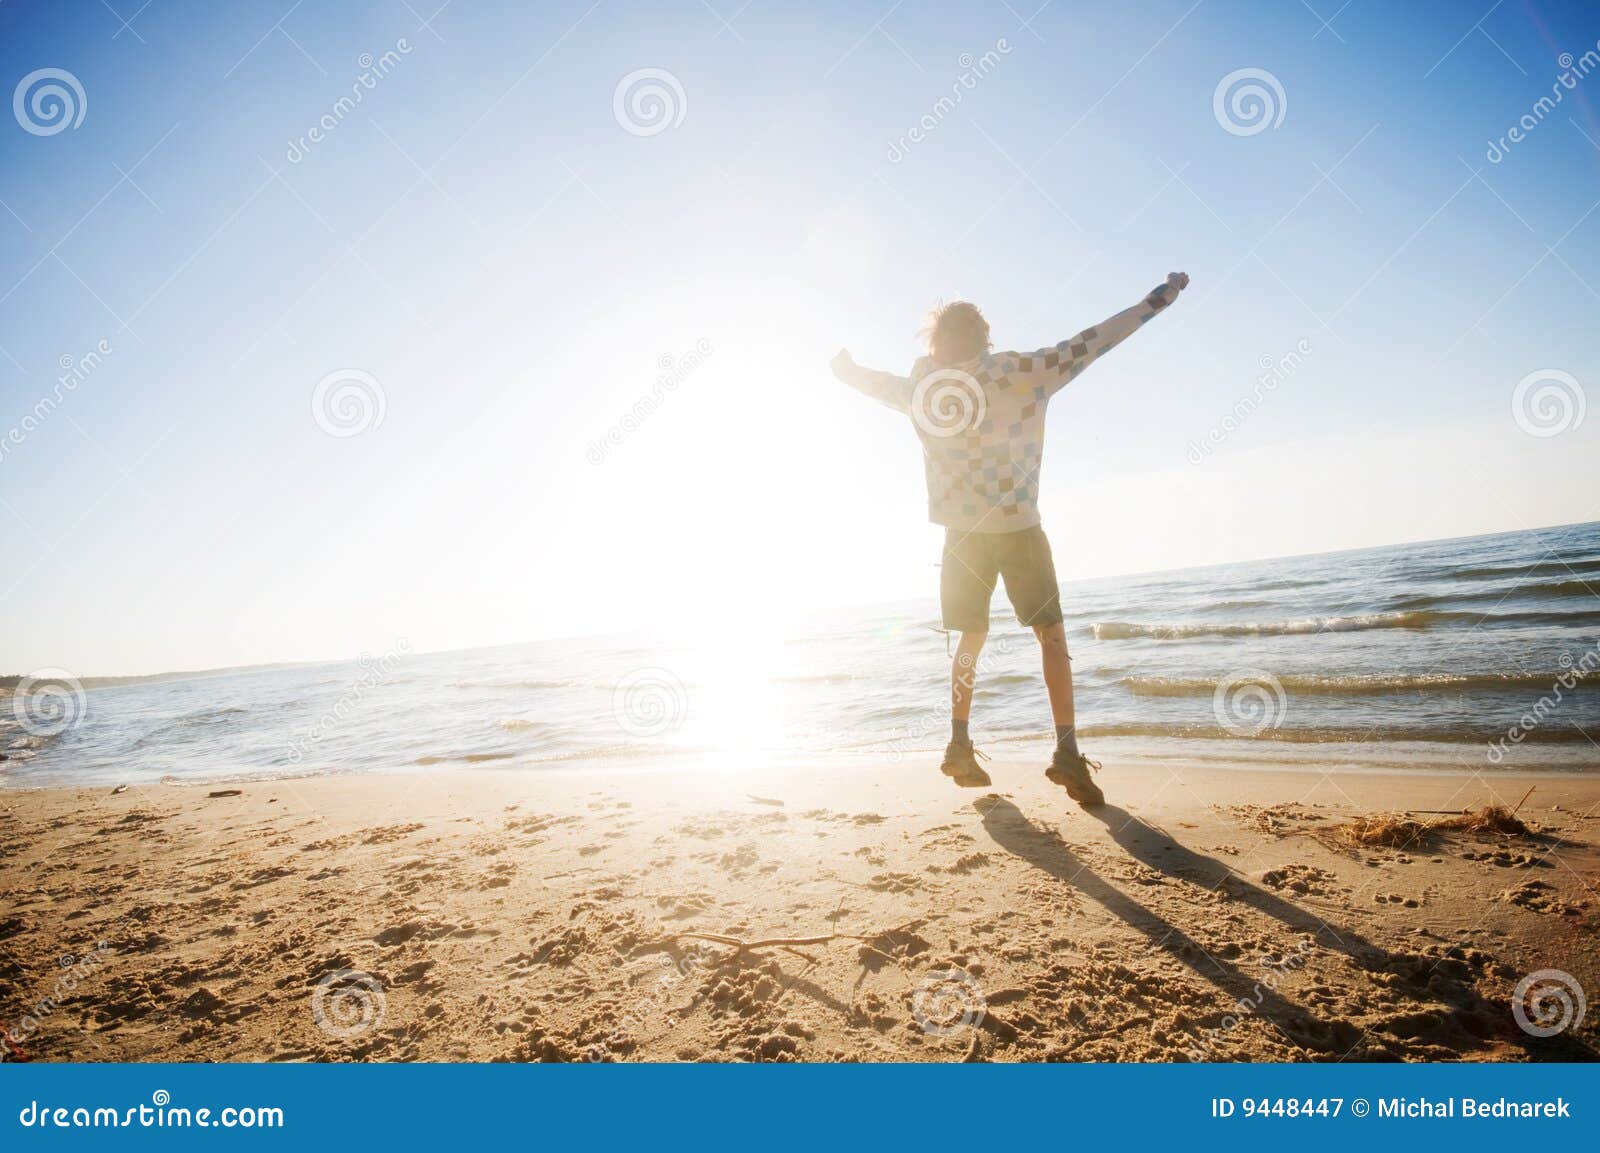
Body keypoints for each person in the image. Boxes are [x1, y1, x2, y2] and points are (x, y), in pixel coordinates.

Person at [830, 272, 1189, 806]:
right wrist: (1155, 301)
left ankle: (958, 743)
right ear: (985, 337)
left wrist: (846, 369)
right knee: (1051, 638)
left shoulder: (923, 392)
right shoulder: (1022, 372)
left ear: (935, 343)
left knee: (971, 640)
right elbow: (1094, 341)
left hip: (964, 535)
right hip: (1019, 529)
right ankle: (1066, 753)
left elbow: (871, 382)